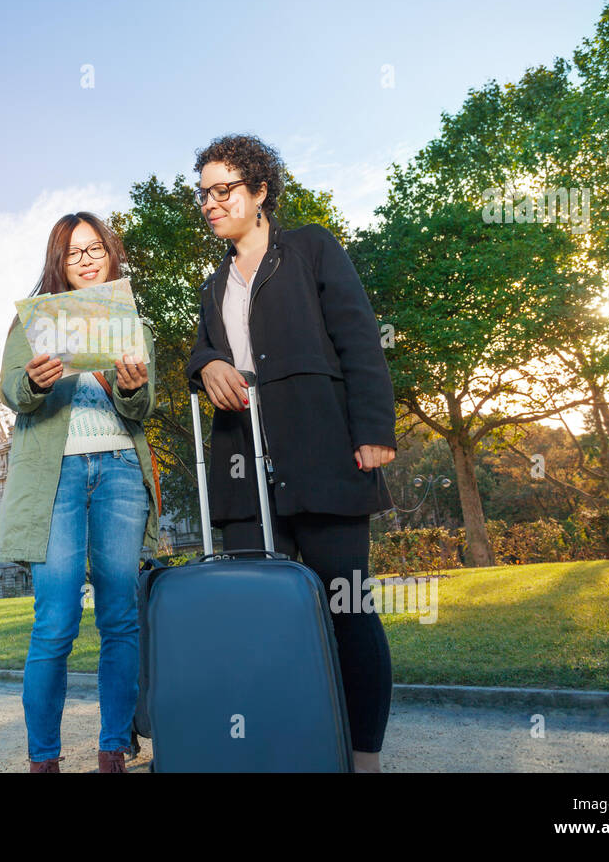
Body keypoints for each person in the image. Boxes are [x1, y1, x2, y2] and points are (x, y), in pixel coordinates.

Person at [185, 133, 397, 773]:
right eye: (204, 194)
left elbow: (358, 339)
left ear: (259, 191)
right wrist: (208, 365)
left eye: (224, 190)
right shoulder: (211, 284)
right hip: (242, 475)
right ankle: (281, 751)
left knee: (348, 609)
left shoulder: (311, 249)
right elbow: (200, 353)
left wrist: (372, 431)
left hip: (325, 457)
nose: (211, 204)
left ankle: (364, 761)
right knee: (259, 623)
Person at [0, 211, 159, 773]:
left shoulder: (132, 323)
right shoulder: (30, 324)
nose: (86, 259)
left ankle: (113, 746)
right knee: (56, 619)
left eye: (95, 248)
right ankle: (44, 757)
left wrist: (131, 387)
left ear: (110, 254)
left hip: (118, 471)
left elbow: (143, 407)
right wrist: (34, 383)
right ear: (58, 262)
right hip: (56, 478)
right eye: (73, 252)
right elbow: (14, 393)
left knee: (119, 616)